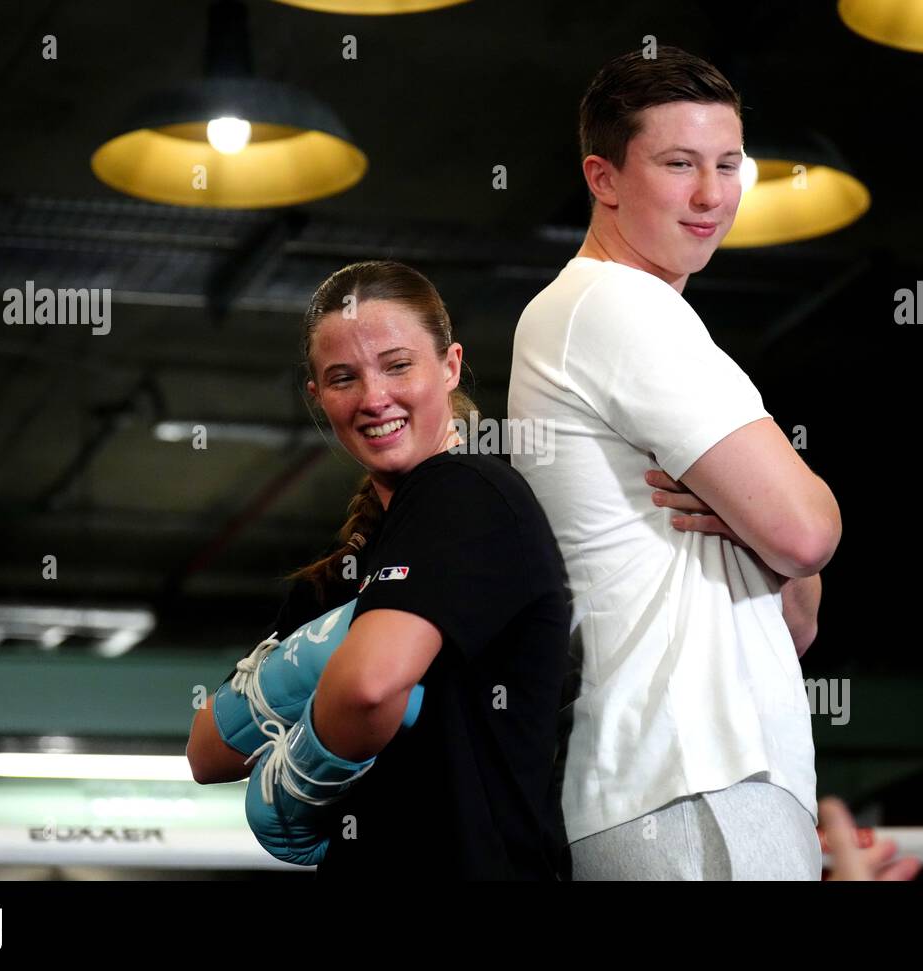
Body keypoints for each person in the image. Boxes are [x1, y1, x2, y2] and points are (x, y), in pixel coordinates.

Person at [507, 45, 842, 880]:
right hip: (690, 783)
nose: (711, 195)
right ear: (604, 176)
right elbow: (805, 535)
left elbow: (796, 619)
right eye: (679, 163)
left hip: (689, 782)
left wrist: (758, 521)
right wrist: (782, 515)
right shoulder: (618, 304)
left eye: (729, 165)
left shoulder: (622, 315)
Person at [187, 260, 571, 880]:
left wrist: (298, 761)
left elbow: (369, 685)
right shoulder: (339, 571)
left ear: (449, 366)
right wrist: (326, 656)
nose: (373, 398)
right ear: (317, 395)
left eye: (398, 365)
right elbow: (207, 752)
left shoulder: (469, 490)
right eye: (344, 378)